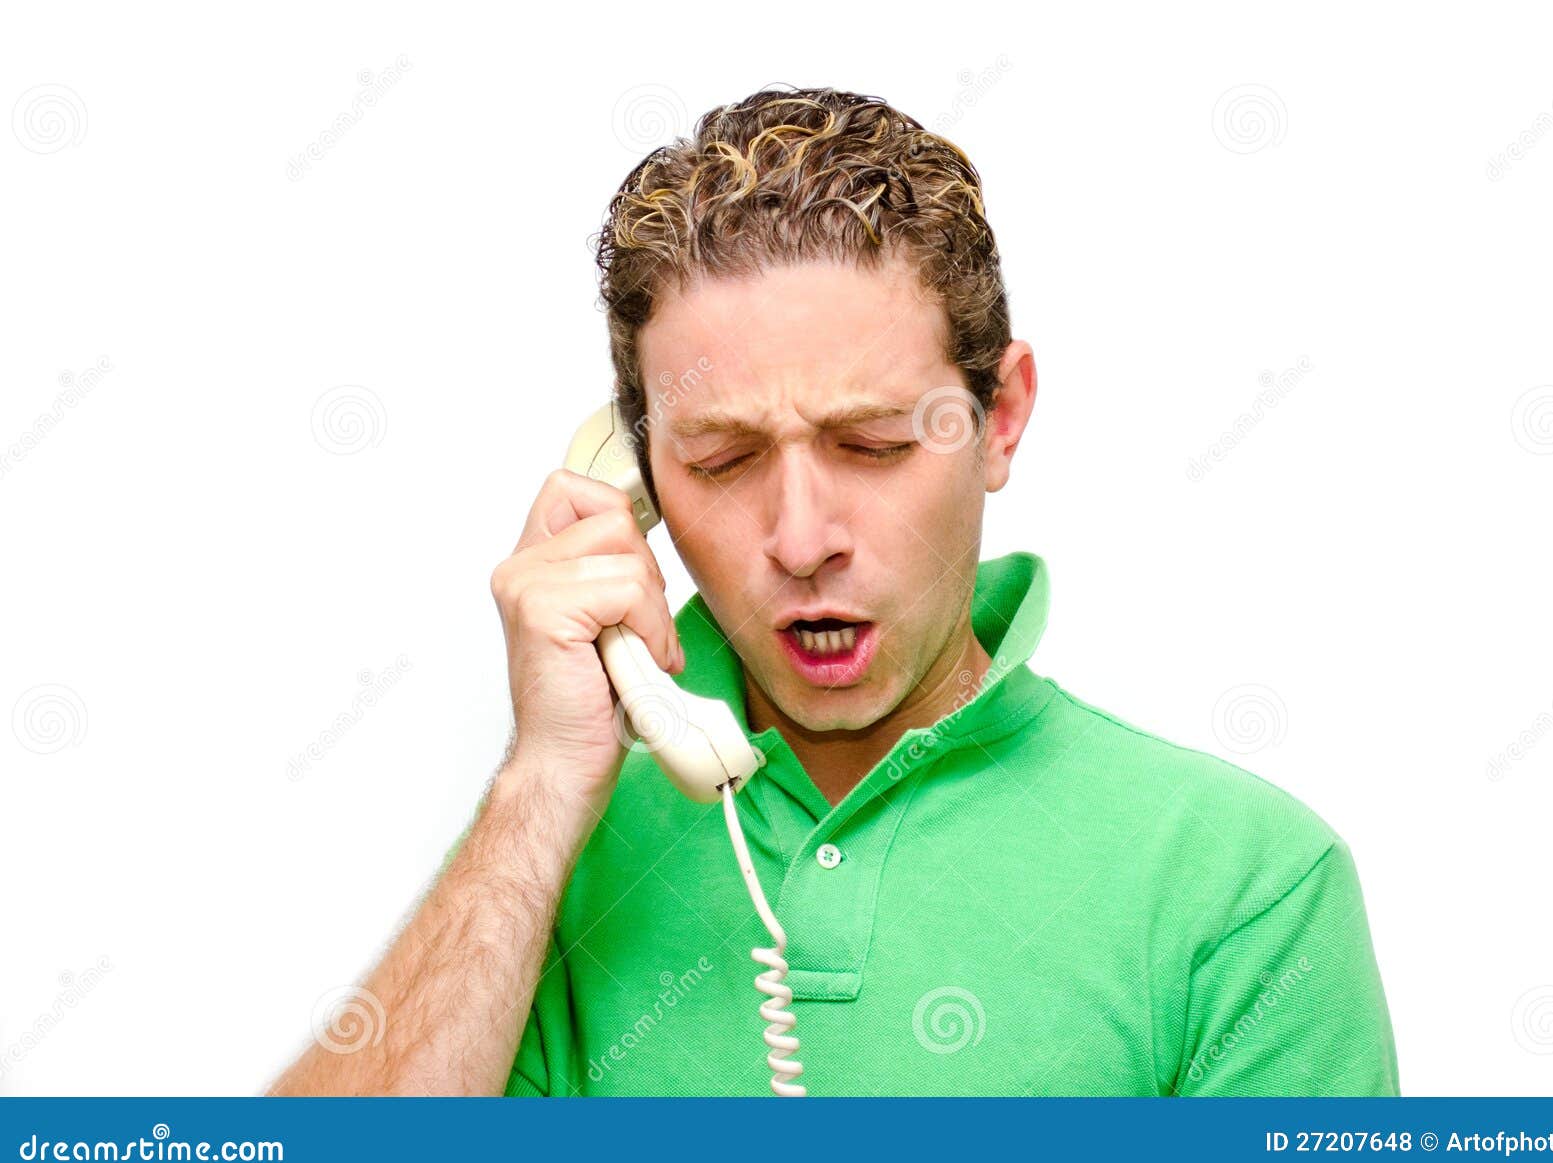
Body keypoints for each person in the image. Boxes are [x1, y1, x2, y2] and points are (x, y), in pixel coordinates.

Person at [269, 85, 1399, 1097]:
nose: (801, 539)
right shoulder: (546, 879)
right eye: (719, 459)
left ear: (997, 417)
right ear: (639, 476)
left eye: (869, 442)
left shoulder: (1245, 886)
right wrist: (543, 783)